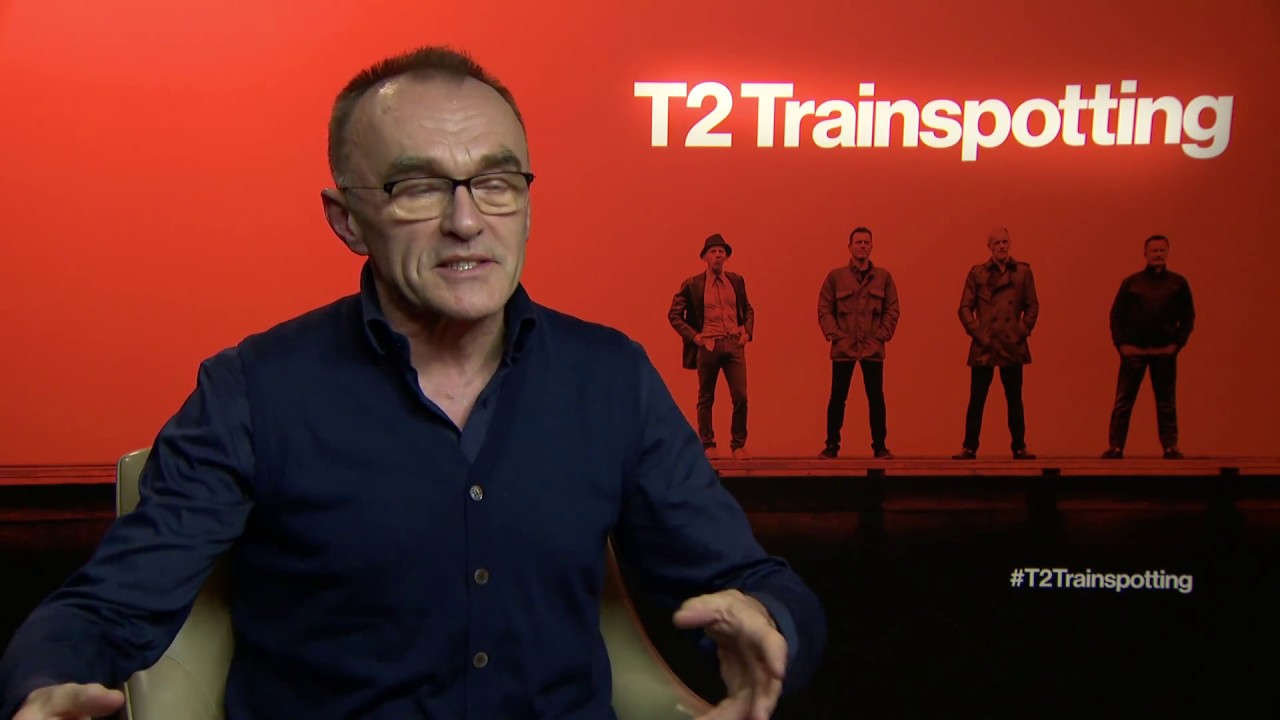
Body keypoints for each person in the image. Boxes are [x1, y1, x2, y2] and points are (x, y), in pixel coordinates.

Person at [0, 46, 824, 720]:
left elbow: (754, 584)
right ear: (346, 219)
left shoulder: (611, 379)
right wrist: (45, 687)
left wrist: (773, 625)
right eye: (418, 187)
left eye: (496, 182)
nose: (467, 222)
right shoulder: (253, 391)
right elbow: (103, 609)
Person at [1102, 234, 1195, 459]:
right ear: (1145, 253)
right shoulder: (1131, 283)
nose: (1158, 254)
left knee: (1166, 402)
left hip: (1164, 351)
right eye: (1154, 250)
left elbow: (1188, 316)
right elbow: (1116, 315)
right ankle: (1116, 446)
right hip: (1134, 351)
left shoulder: (1178, 283)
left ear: (1168, 252)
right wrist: (1121, 344)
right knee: (1124, 401)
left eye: (1162, 250)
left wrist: (1177, 344)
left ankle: (1170, 447)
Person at [952, 226, 1040, 460]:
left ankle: (1019, 446)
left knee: (1014, 398)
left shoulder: (1023, 273)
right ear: (989, 247)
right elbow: (964, 307)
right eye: (997, 243)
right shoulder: (978, 274)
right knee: (977, 398)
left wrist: (1022, 330)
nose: (1001, 246)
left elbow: (1032, 305)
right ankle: (970, 447)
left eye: (1004, 242)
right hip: (986, 344)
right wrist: (977, 331)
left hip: (1012, 342)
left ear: (1009, 244)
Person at [667, 234, 755, 460]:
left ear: (726, 256)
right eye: (713, 252)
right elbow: (674, 314)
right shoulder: (693, 284)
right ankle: (708, 444)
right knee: (706, 396)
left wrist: (747, 331)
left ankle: (738, 445)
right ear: (705, 257)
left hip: (734, 343)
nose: (718, 255)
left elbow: (747, 308)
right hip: (709, 345)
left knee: (741, 396)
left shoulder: (736, 281)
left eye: (721, 252)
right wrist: (694, 336)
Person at [816, 227, 899, 459]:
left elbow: (892, 309)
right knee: (837, 398)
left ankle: (880, 447)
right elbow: (824, 308)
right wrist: (836, 335)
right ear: (849, 247)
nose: (862, 246)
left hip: (872, 347)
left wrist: (881, 335)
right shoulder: (836, 277)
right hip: (844, 347)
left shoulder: (883, 278)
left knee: (876, 398)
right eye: (858, 242)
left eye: (866, 242)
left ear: (872, 246)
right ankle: (832, 446)